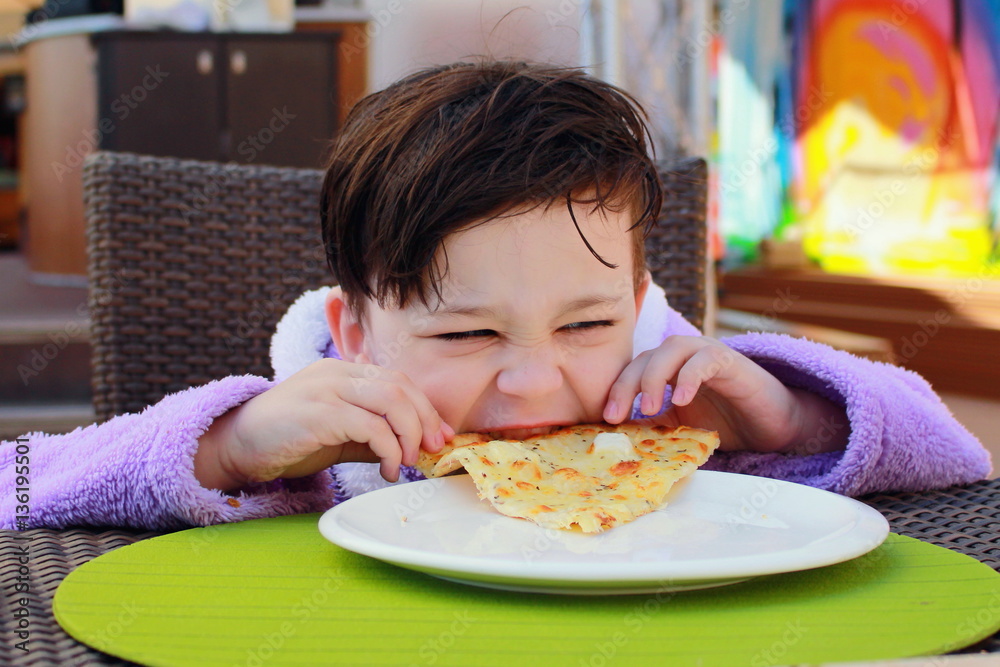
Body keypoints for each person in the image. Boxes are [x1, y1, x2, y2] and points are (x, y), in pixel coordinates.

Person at [0, 60, 989, 531]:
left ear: (638, 296)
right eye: (469, 330)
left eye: (590, 322)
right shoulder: (302, 449)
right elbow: (24, 488)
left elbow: (956, 455)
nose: (531, 386)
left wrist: (789, 416)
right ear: (356, 329)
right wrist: (224, 445)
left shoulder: (689, 408)